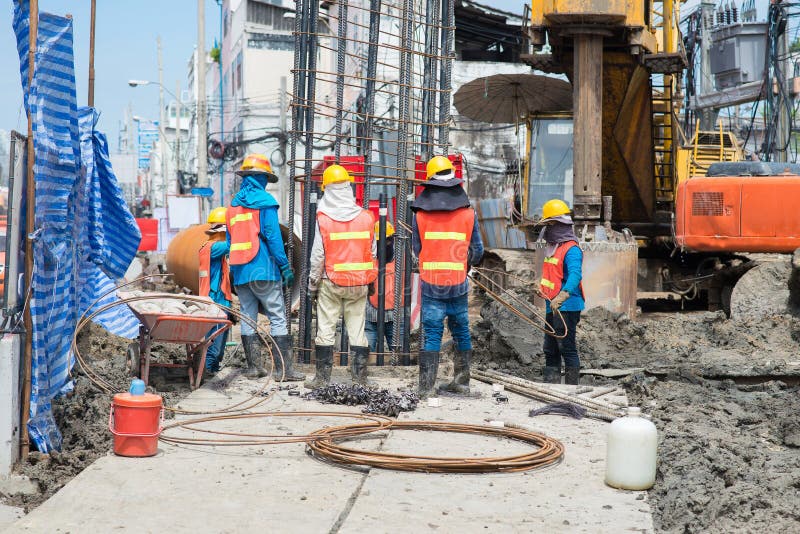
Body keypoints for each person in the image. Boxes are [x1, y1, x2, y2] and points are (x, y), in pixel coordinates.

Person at [226, 153, 304, 381]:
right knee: (278, 317)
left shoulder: (232, 208)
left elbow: (230, 243)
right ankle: (283, 371)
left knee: (249, 317)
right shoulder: (265, 203)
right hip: (263, 270)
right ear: (261, 178)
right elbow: (273, 237)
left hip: (240, 272)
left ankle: (254, 368)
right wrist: (285, 267)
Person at [411, 155, 483, 398]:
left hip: (432, 284)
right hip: (458, 284)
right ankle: (461, 383)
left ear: (430, 182)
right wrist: (462, 266)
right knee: (461, 330)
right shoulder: (468, 214)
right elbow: (478, 251)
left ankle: (426, 387)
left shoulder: (419, 216)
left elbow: (416, 249)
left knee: (432, 333)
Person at [306, 164, 377, 388]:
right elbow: (372, 251)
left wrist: (312, 285)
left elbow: (317, 256)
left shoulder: (323, 218)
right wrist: (370, 280)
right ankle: (359, 379)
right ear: (349, 188)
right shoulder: (366, 217)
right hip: (359, 282)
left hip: (331, 282)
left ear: (326, 190)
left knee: (326, 328)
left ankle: (322, 379)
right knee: (357, 328)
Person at [537, 198, 585, 385]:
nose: (547, 229)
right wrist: (539, 286)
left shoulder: (572, 249)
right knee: (550, 349)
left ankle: (572, 390)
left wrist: (563, 296)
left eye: (549, 225)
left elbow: (575, 275)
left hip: (567, 306)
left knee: (566, 348)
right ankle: (552, 387)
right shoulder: (553, 248)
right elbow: (552, 274)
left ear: (558, 224)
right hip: (552, 306)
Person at [199, 207, 232, 376]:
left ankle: (210, 370)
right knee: (215, 345)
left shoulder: (208, 247)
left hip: (217, 301)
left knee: (218, 343)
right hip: (216, 302)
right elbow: (232, 245)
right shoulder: (214, 247)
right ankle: (208, 373)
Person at [365, 221, 396, 353]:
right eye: (380, 242)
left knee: (397, 356)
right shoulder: (368, 258)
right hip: (370, 314)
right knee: (366, 353)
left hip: (394, 316)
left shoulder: (402, 258)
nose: (384, 246)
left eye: (388, 241)